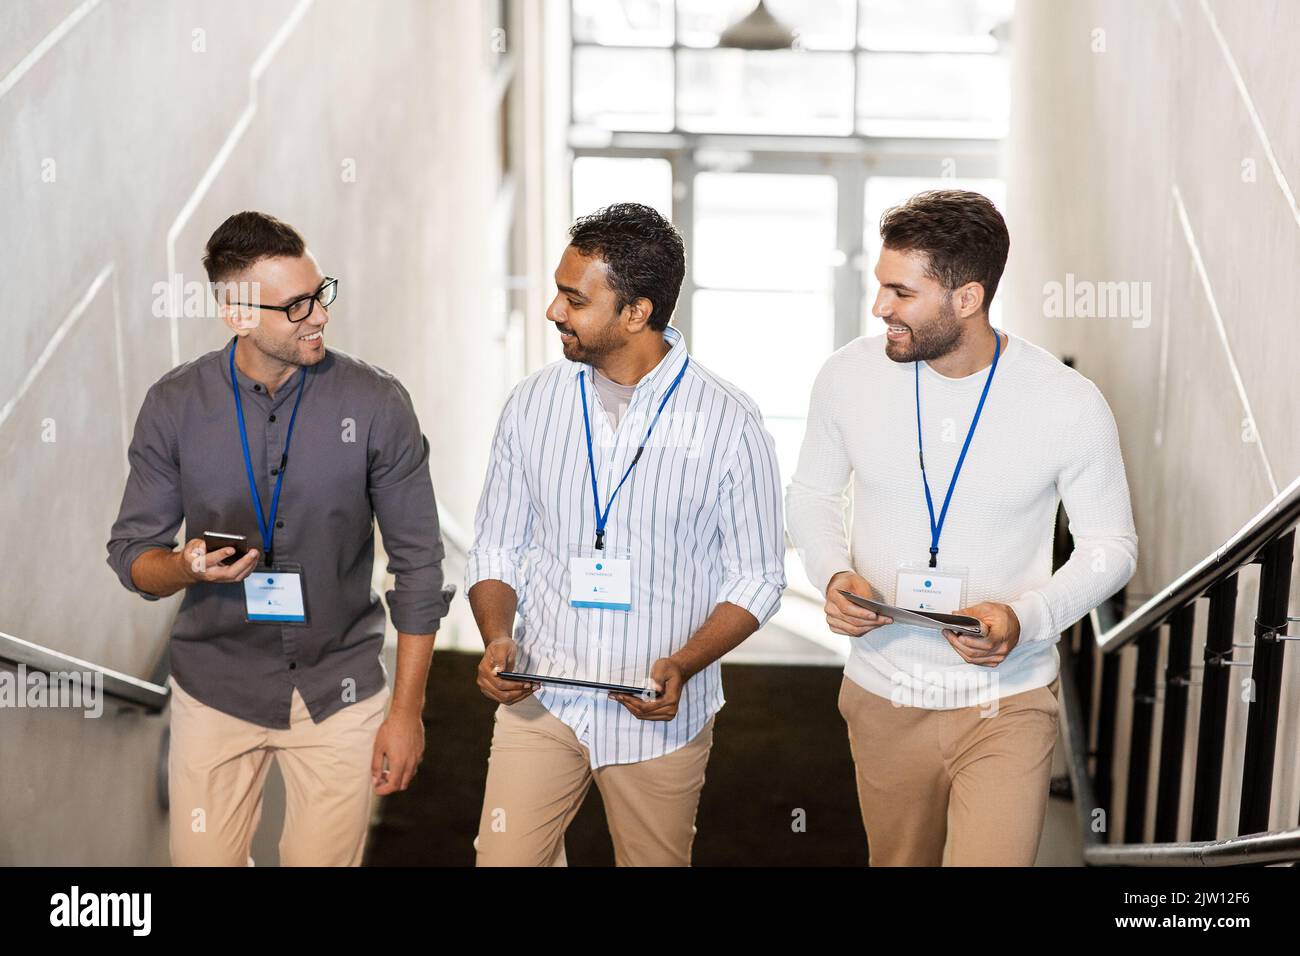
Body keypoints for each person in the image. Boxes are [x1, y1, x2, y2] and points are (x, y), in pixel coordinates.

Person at [786, 189, 1137, 866]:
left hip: (1006, 701)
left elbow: (1110, 548)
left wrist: (1028, 615)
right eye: (881, 287)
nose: (879, 308)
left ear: (967, 298)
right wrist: (831, 571)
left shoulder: (1066, 403)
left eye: (901, 292)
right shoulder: (847, 377)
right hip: (882, 694)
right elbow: (812, 495)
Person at [106, 211, 453, 866]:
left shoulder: (378, 405)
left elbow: (420, 569)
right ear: (237, 314)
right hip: (216, 690)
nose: (318, 315)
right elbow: (134, 560)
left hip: (340, 690)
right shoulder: (174, 406)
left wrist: (406, 713)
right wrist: (186, 566)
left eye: (320, 294)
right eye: (295, 306)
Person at [467, 202, 786, 866]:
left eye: (573, 298)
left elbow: (758, 577)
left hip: (660, 720)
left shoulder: (731, 421)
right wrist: (498, 634)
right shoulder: (532, 403)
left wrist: (684, 664)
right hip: (543, 700)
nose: (554, 311)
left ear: (636, 313)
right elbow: (496, 544)